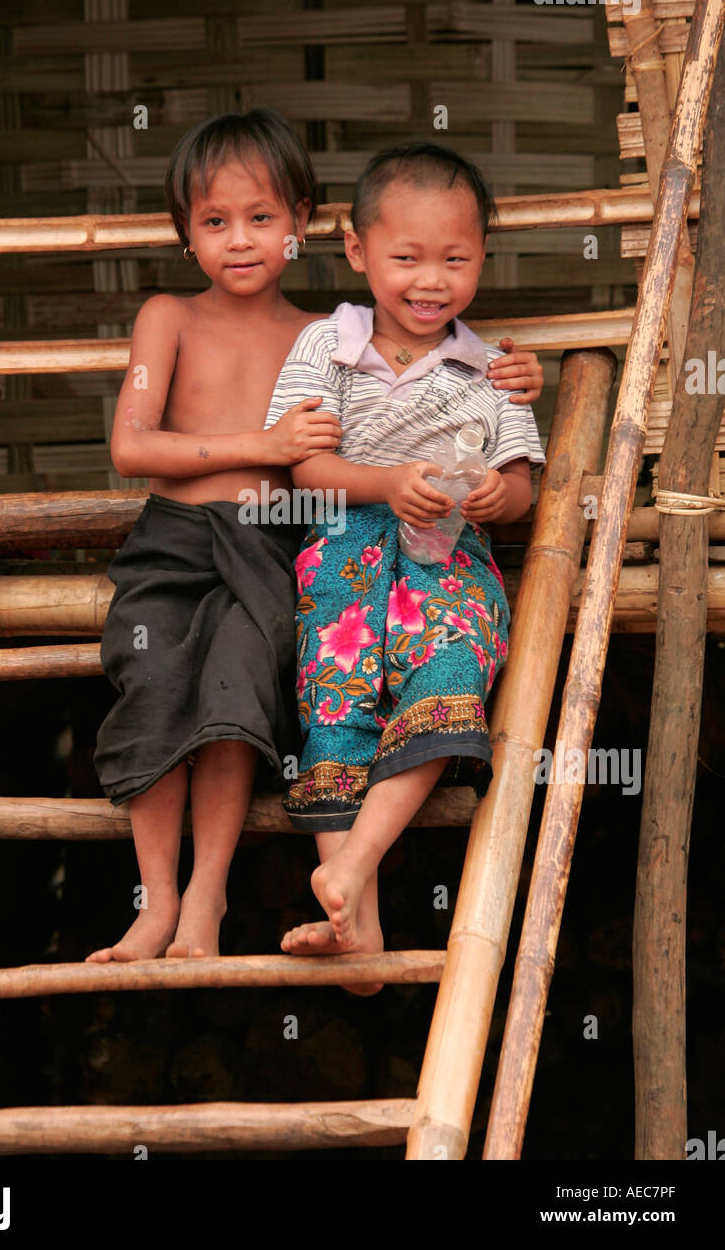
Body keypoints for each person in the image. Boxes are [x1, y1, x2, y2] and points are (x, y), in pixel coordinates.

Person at [88, 112, 544, 963]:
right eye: (214, 222)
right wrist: (262, 447)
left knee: (237, 695)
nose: (239, 241)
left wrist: (515, 389)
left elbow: (488, 434)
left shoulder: (323, 335)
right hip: (186, 536)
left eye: (261, 219)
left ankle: (207, 903)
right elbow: (130, 445)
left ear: (302, 224)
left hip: (269, 542)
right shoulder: (184, 318)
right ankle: (157, 904)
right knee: (151, 681)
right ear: (183, 233)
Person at [265, 143, 546, 989]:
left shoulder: (492, 371)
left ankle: (351, 871)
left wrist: (499, 498)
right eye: (407, 258)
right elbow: (300, 466)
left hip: (450, 560)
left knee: (452, 674)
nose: (432, 281)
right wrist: (386, 482)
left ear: (482, 258)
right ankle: (362, 925)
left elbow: (523, 483)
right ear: (357, 251)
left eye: (455, 260)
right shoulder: (326, 345)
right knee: (335, 699)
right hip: (344, 553)